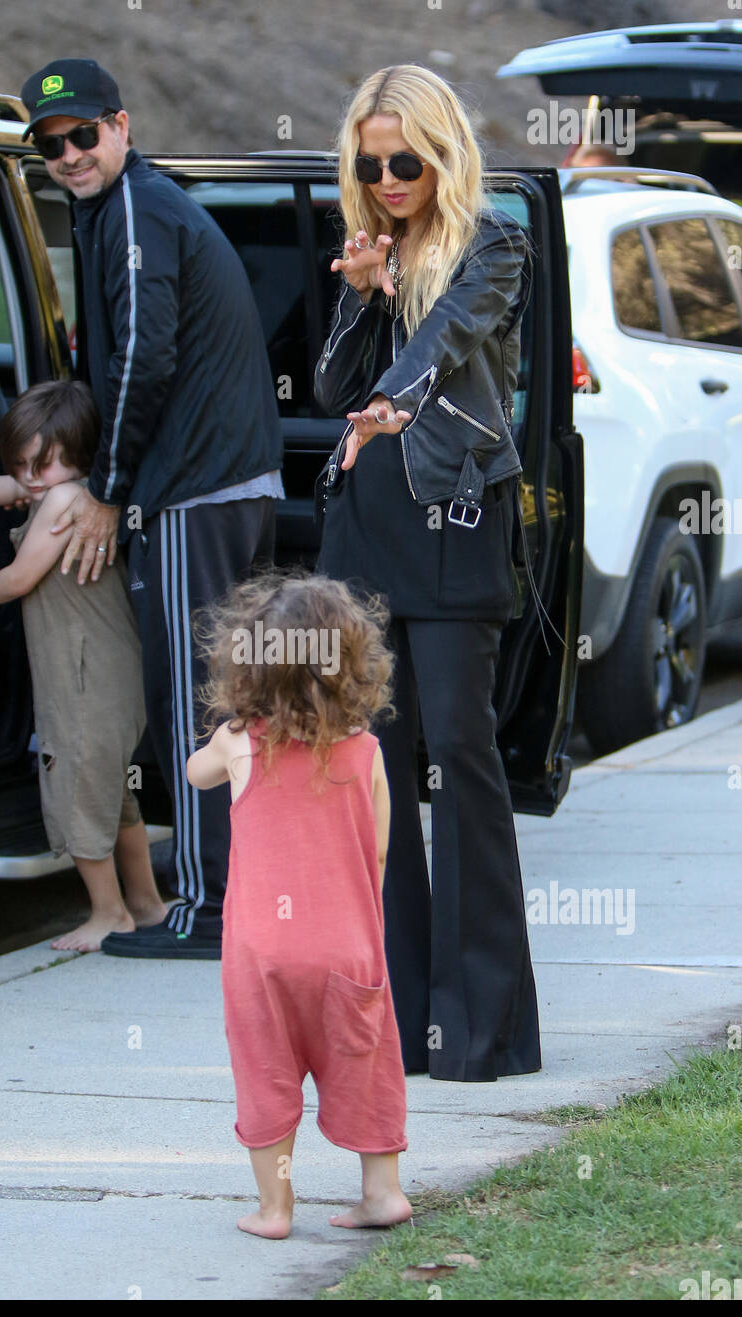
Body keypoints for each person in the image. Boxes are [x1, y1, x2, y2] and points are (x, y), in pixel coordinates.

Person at [19, 58, 283, 959]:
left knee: (193, 700)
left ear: (121, 126)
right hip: (225, 484)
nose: (69, 154)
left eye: (83, 134)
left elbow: (142, 359)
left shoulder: (134, 209)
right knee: (225, 696)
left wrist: (109, 488)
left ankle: (206, 912)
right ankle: (233, 896)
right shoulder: (129, 206)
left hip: (193, 488)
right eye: (51, 144)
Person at [313, 64, 543, 1082]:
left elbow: (445, 346)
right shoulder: (376, 247)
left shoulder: (492, 240)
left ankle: (481, 1023)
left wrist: (390, 396)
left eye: (406, 159)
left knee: (460, 754)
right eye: (372, 163)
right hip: (368, 533)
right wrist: (362, 297)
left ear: (440, 153)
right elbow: (329, 386)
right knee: (376, 775)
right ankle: (402, 1021)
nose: (390, 178)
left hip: (453, 521)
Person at [186, 571, 411, 1239]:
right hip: (346, 945)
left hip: (261, 954)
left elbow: (195, 772)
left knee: (266, 1072)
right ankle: (382, 1192)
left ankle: (275, 1208)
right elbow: (377, 855)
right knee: (366, 1065)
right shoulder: (366, 751)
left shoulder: (236, 744)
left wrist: (228, 736)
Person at [0, 379, 166, 951]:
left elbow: (22, 577)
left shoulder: (65, 500)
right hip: (108, 676)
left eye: (38, 464)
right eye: (20, 464)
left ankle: (108, 913)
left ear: (74, 455)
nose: (25, 477)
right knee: (114, 795)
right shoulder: (59, 488)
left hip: (83, 678)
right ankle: (145, 904)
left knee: (76, 791)